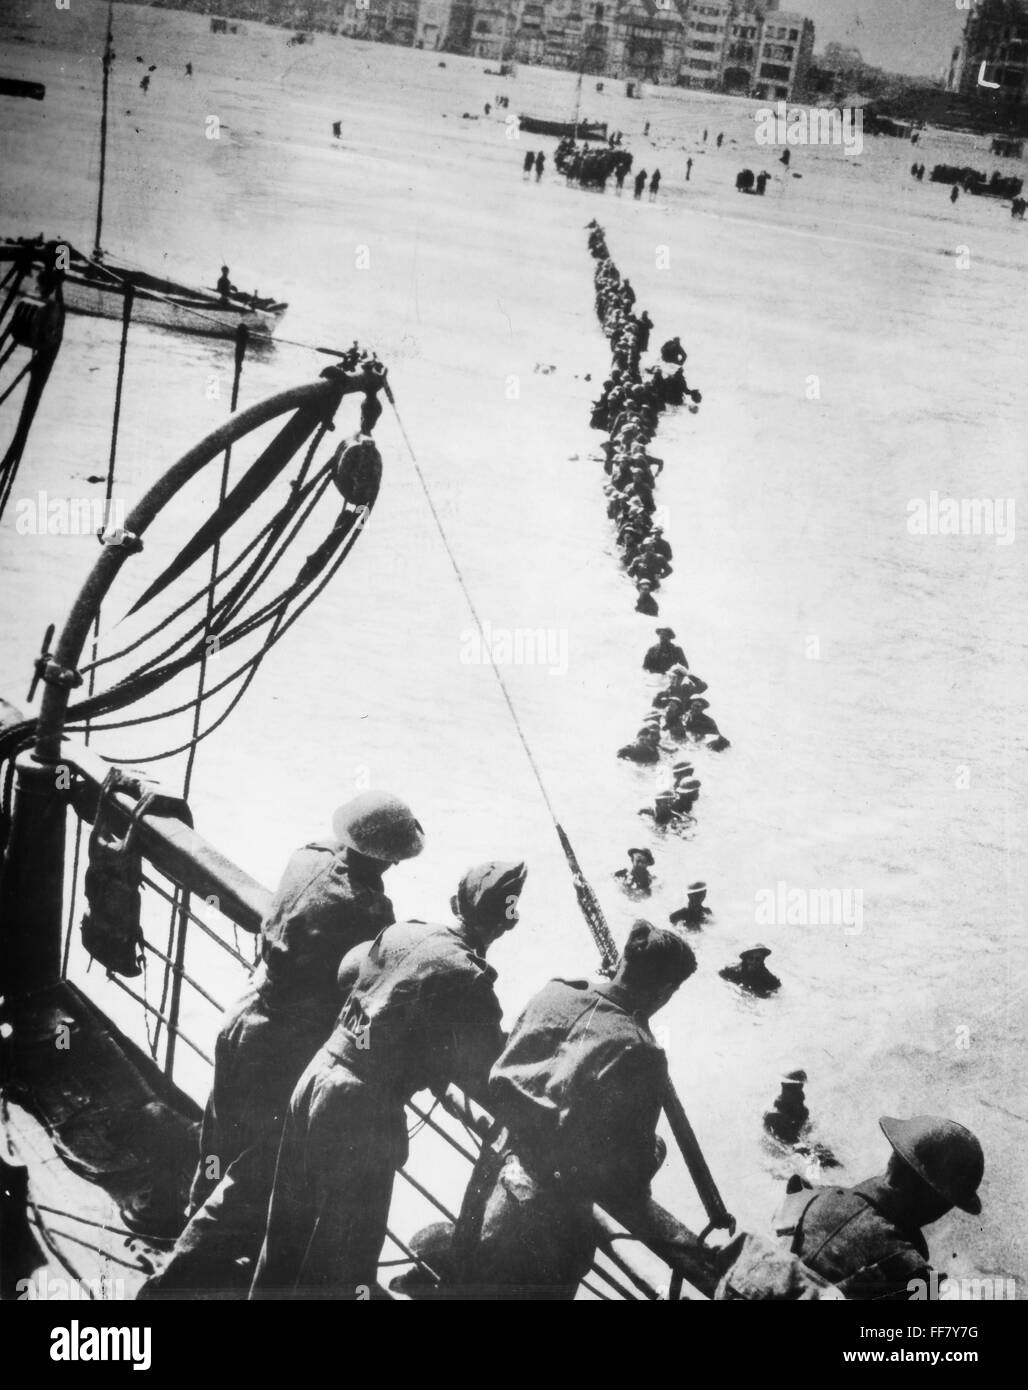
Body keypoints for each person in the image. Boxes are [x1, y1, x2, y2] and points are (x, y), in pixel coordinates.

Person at [139, 792, 423, 1298]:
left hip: (247, 1010)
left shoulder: (307, 856)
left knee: (221, 1135)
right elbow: (369, 978)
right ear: (389, 857)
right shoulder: (368, 910)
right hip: (283, 1043)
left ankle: (189, 1223)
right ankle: (175, 1281)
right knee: (257, 1167)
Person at [250, 861, 526, 1299]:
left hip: (319, 1072)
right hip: (362, 1109)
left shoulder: (402, 931)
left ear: (455, 902)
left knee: (285, 1229)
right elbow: (491, 1067)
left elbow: (348, 974)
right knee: (343, 1254)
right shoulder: (472, 978)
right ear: (508, 922)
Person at [451, 921, 698, 1298]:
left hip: (490, 1172)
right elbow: (627, 1173)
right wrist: (656, 1151)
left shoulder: (556, 993)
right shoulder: (641, 1052)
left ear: (619, 962)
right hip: (545, 1218)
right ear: (666, 990)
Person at [775, 1116, 984, 1301]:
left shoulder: (805, 1198)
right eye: (948, 1202)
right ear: (933, 1202)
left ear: (892, 1162)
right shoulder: (909, 1272)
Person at [764, 1070, 809, 1145]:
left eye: (800, 1088)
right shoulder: (773, 1114)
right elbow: (770, 1139)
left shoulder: (802, 1110)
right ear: (784, 1087)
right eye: (795, 1089)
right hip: (782, 1145)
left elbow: (805, 1130)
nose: (802, 1095)